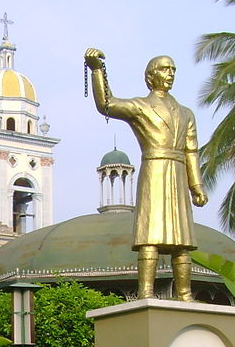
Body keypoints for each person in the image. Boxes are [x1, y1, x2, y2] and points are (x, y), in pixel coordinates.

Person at [84, 49, 207, 300]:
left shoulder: (186, 113)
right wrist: (97, 70)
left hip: (178, 172)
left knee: (182, 240)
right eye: (164, 69)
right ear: (150, 76)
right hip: (154, 170)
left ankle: (184, 293)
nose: (170, 74)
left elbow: (192, 151)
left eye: (173, 69)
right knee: (149, 235)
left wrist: (196, 186)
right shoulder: (140, 107)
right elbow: (106, 103)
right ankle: (146, 291)